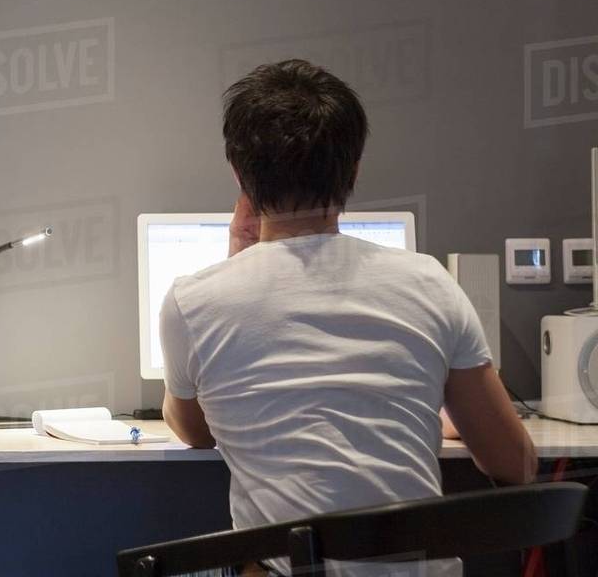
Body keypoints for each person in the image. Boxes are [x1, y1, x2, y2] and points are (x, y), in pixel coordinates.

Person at [160, 59, 536, 576]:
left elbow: (196, 433)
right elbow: (515, 464)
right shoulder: (429, 283)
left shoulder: (193, 300)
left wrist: (235, 262)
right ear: (353, 170)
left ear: (239, 174)